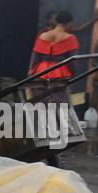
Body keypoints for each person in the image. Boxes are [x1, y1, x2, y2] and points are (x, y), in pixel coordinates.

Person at [28, 9, 84, 141]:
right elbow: (72, 61)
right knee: (60, 106)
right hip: (59, 75)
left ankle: (41, 135)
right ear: (69, 23)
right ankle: (59, 135)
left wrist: (31, 73)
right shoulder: (70, 38)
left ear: (56, 21)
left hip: (40, 74)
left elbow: (35, 58)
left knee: (41, 104)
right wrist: (73, 75)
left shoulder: (42, 36)